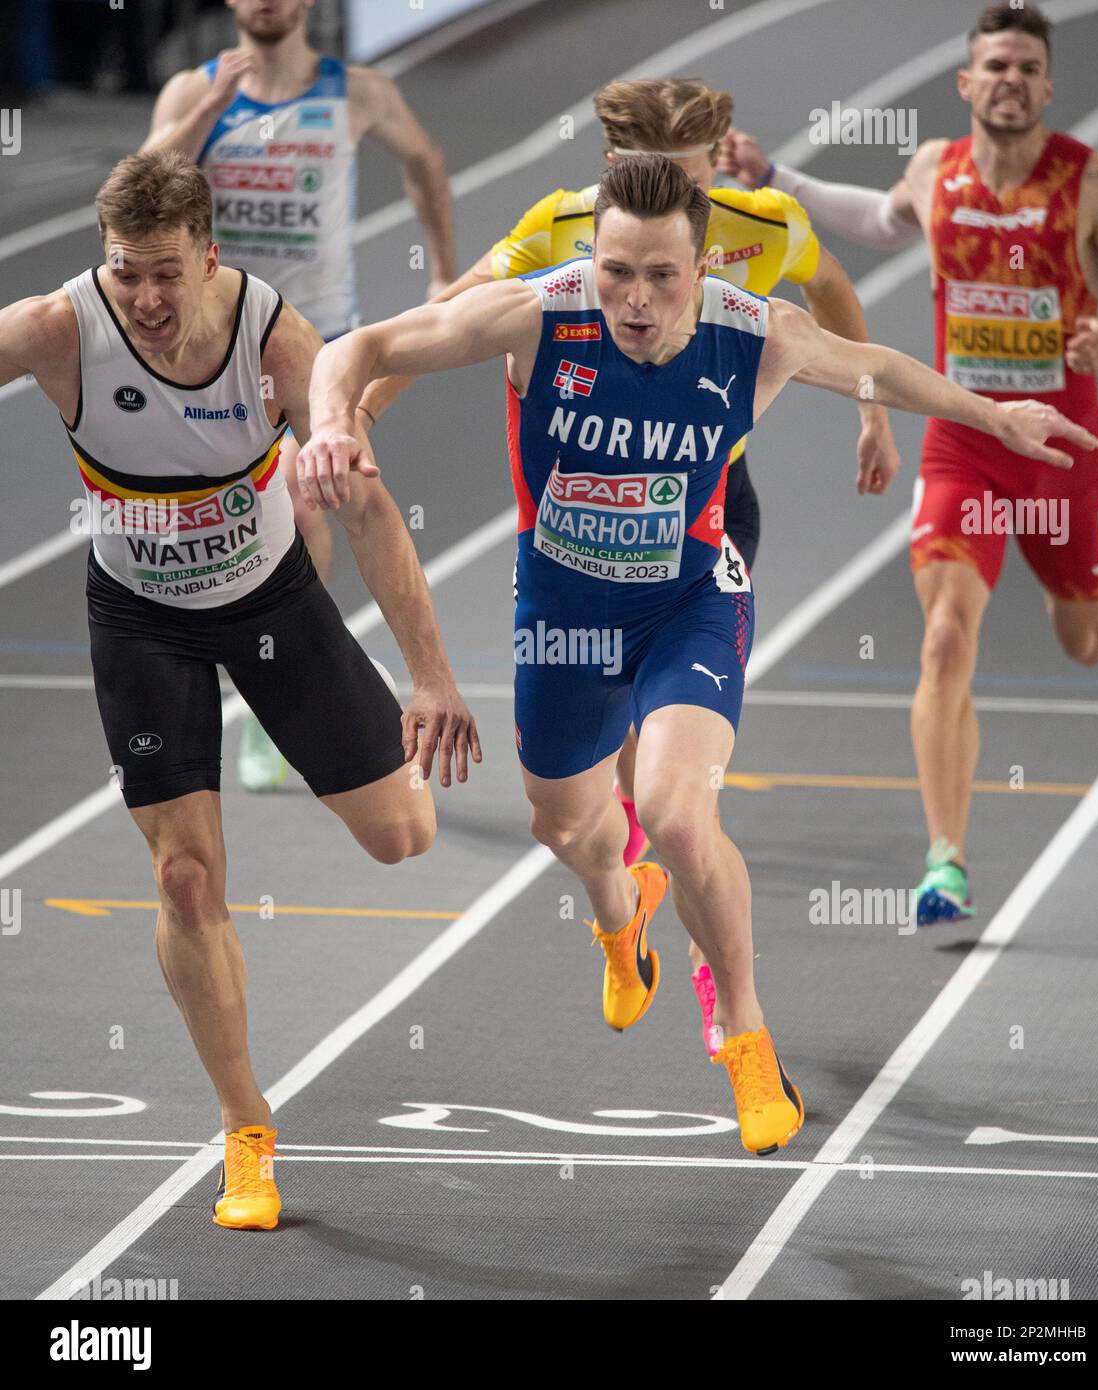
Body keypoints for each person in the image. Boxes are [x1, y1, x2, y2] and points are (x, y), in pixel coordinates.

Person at [298, 155, 1096, 1153]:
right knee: (564, 827)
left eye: (659, 276)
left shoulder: (753, 334)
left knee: (677, 814)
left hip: (688, 605)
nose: (633, 300)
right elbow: (360, 345)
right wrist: (333, 423)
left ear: (705, 264)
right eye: (615, 270)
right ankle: (617, 912)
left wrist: (994, 416)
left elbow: (876, 364)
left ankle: (743, 1033)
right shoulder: (541, 313)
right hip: (563, 616)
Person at [351, 77, 901, 1056]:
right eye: (669, 171)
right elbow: (452, 308)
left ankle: (713, 973)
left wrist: (867, 410)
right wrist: (360, 412)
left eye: (701, 169)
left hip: (705, 509)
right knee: (582, 804)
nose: (690, 188)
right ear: (615, 170)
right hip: (576, 527)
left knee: (677, 794)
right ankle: (623, 893)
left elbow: (825, 303)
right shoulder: (560, 227)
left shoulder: (763, 218)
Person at [0, 150, 478, 1229]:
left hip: (270, 608)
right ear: (102, 260)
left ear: (210, 255)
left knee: (401, 834)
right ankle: (245, 1130)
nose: (149, 300)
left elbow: (368, 512)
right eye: (128, 274)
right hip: (138, 618)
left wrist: (431, 675)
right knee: (182, 880)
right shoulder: (55, 329)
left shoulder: (276, 343)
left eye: (168, 272)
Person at [717, 2, 1098, 923]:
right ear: (966, 81)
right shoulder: (933, 170)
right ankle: (945, 859)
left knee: (1088, 643)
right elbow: (879, 219)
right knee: (945, 640)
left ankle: (1066, 590)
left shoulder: (1094, 182)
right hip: (967, 441)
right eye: (995, 65)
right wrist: (776, 175)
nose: (1010, 80)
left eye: (1027, 66)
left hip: (1064, 453)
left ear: (1048, 85)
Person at [142, 0, 456, 791]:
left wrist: (445, 272)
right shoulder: (193, 89)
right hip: (212, 350)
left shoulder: (360, 91)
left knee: (308, 501)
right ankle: (276, 665)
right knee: (217, 529)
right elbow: (137, 190)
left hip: (320, 351)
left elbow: (424, 160)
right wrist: (209, 113)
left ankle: (266, 699)